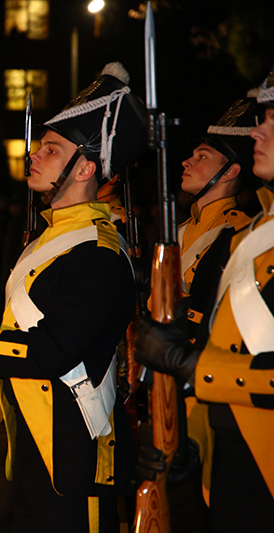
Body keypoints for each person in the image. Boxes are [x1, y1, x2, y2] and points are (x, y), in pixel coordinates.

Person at [0, 63, 148, 532]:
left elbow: (50, 353)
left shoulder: (98, 253)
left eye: (51, 149)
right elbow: (16, 345)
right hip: (34, 448)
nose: (34, 155)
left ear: (85, 168)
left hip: (75, 454)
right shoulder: (49, 242)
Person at [135, 68, 274, 532]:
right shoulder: (235, 234)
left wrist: (188, 366)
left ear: (230, 172)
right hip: (209, 417)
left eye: (272, 122)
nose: (258, 133)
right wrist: (189, 436)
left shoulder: (236, 232)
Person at [176, 97, 256, 345]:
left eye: (202, 156)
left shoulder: (240, 234)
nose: (186, 162)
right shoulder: (179, 230)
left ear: (230, 172)